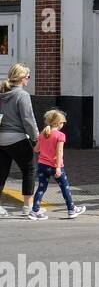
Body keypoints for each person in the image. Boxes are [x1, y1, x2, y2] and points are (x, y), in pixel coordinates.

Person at [30, 109, 86, 219]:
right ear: (58, 123)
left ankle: (34, 211)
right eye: (62, 123)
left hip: (42, 165)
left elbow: (36, 150)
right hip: (55, 166)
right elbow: (59, 152)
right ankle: (71, 210)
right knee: (65, 187)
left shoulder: (43, 134)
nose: (63, 125)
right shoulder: (60, 135)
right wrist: (58, 168)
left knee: (41, 188)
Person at [0, 64, 39, 218]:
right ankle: (28, 207)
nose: (28, 80)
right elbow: (28, 120)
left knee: (1, 172)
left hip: (1, 139)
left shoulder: (2, 93)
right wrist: (37, 140)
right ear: (22, 78)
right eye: (28, 77)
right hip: (17, 138)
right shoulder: (22, 95)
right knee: (29, 169)